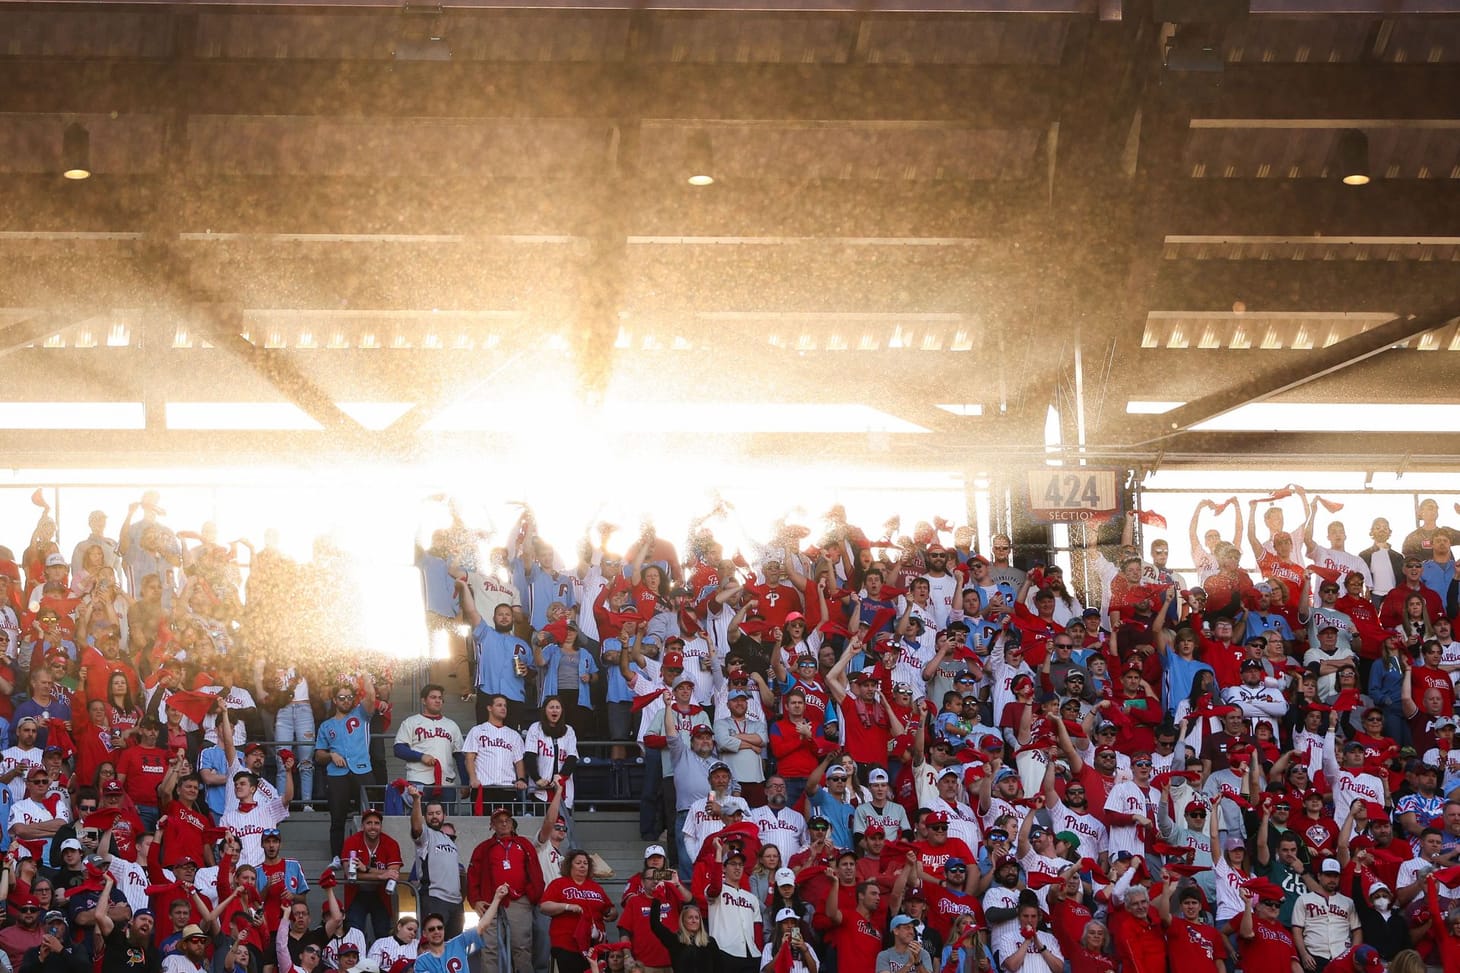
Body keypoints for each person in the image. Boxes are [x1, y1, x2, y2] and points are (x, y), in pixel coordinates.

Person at [465, 806, 543, 973]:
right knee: (488, 947)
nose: (504, 824)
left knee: (521, 946)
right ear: (492, 825)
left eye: (507, 820)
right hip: (490, 902)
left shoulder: (524, 844)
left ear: (512, 823)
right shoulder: (483, 847)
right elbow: (472, 876)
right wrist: (475, 900)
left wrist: (532, 895)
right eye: (499, 821)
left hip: (519, 899)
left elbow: (535, 872)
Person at [314, 675, 377, 860]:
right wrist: (331, 755)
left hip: (362, 769)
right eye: (341, 697)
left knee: (370, 816)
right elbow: (318, 755)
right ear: (334, 700)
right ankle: (337, 857)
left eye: (349, 697)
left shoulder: (361, 713)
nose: (346, 700)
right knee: (337, 817)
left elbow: (371, 697)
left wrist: (365, 675)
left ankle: (370, 855)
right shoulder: (326, 725)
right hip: (337, 773)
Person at [540, 849, 615, 973]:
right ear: (570, 865)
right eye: (578, 863)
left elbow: (610, 908)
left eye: (585, 863)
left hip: (594, 944)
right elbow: (544, 906)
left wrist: (612, 913)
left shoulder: (596, 887)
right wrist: (567, 906)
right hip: (567, 943)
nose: (582, 866)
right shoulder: (558, 884)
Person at [410, 884, 510, 973]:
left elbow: (482, 925)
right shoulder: (421, 961)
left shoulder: (458, 942)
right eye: (431, 929)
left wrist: (497, 899)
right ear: (424, 933)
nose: (436, 931)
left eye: (439, 928)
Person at [392, 684, 463, 804]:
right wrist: (421, 756)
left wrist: (465, 783)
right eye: (433, 697)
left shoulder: (452, 725)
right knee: (417, 815)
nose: (437, 701)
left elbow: (460, 756)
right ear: (423, 701)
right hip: (419, 779)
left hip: (446, 782)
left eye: (440, 698)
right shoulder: (411, 722)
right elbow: (398, 749)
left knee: (447, 815)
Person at [408, 786, 463, 937]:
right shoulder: (426, 835)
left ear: (444, 815)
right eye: (430, 814)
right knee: (432, 942)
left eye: (438, 813)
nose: (434, 817)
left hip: (456, 902)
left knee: (454, 945)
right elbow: (416, 827)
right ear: (425, 817)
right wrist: (417, 800)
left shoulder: (450, 841)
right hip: (434, 898)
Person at [765, 906, 820, 973]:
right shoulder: (769, 947)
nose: (790, 926)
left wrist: (805, 951)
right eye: (785, 922)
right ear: (779, 926)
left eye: (792, 922)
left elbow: (815, 971)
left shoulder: (806, 946)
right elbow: (767, 971)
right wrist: (782, 950)